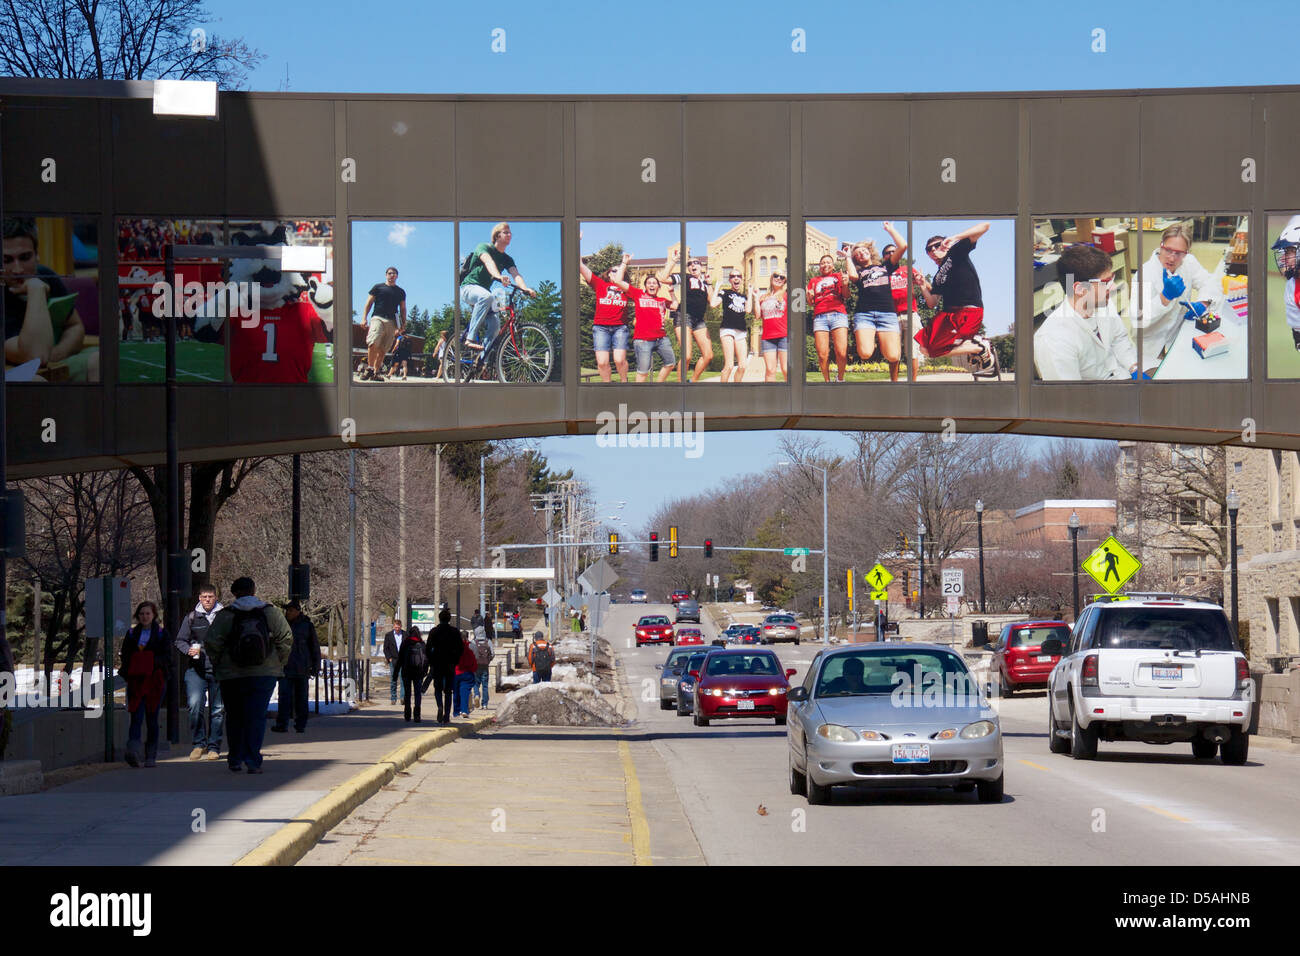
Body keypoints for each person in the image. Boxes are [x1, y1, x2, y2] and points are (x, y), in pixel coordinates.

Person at [204, 577, 293, 774]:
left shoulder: (226, 615)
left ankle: (234, 758)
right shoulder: (270, 612)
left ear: (234, 592)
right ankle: (253, 760)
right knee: (256, 716)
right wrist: (279, 662)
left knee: (235, 716)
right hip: (264, 673)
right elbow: (286, 637)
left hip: (231, 675)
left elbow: (212, 642)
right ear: (254, 590)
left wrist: (220, 663)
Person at [4, 217, 98, 382]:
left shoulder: (45, 274)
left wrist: (56, 355)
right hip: (15, 369)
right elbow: (35, 357)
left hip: (54, 360)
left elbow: (75, 326)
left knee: (100, 361)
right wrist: (36, 289)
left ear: (37, 255)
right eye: (6, 260)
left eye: (25, 257)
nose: (17, 269)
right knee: (36, 382)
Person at [1034, 243, 1142, 381]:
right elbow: (1068, 395)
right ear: (1080, 289)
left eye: (1112, 279)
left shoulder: (1101, 304)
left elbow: (1119, 338)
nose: (1113, 286)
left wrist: (1133, 367)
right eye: (1106, 281)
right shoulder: (1054, 339)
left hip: (1120, 375)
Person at [913, 223, 998, 375]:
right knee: (924, 348)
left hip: (968, 311)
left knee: (936, 347)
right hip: (948, 315)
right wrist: (922, 285)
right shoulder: (938, 277)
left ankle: (978, 347)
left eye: (936, 245)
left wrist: (955, 238)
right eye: (929, 249)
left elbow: (985, 226)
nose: (933, 250)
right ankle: (974, 347)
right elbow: (932, 303)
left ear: (944, 245)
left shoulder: (956, 253)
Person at [1138, 223, 1228, 365]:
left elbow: (1209, 282)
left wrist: (1203, 303)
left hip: (1179, 332)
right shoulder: (1145, 273)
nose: (1172, 258)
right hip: (1152, 342)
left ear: (1187, 252)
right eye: (1168, 250)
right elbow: (1138, 319)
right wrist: (1164, 297)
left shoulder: (1188, 262)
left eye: (1179, 253)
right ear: (1161, 245)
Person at [844, 222, 907, 382]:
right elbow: (852, 276)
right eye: (857, 254)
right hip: (864, 315)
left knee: (893, 355)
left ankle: (883, 340)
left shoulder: (886, 266)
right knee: (865, 353)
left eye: (863, 251)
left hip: (887, 314)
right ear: (855, 259)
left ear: (870, 252)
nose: (861, 254)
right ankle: (873, 337)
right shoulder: (859, 272)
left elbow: (903, 246)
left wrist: (891, 229)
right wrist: (847, 257)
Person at [459, 222, 536, 352]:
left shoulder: (507, 259)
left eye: (510, 232)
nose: (509, 234)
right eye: (506, 232)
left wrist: (525, 288)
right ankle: (470, 338)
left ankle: (482, 362)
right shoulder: (484, 247)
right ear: (497, 236)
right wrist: (499, 277)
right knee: (487, 297)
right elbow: (488, 262)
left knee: (495, 325)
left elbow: (515, 274)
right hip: (469, 288)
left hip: (484, 294)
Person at [120, 601, 173, 768]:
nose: (144, 617)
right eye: (142, 614)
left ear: (154, 615)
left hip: (155, 681)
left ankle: (151, 754)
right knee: (136, 715)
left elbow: (168, 657)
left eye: (148, 613)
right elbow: (126, 656)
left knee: (152, 717)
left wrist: (149, 661)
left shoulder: (161, 634)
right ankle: (133, 750)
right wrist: (135, 665)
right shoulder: (131, 634)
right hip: (136, 681)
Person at [175, 584, 225, 760]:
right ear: (199, 598)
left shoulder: (225, 616)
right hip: (196, 669)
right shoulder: (191, 618)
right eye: (204, 597)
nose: (207, 600)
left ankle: (214, 746)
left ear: (216, 597)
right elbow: (180, 640)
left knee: (217, 711)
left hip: (219, 669)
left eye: (210, 596)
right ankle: (198, 744)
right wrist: (188, 649)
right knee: (195, 705)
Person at [581, 252, 633, 382]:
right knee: (602, 363)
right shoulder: (600, 284)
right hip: (600, 328)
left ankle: (624, 382)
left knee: (619, 360)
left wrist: (624, 264)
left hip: (620, 328)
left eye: (619, 271)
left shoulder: (627, 289)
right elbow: (581, 266)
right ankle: (607, 385)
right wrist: (577, 242)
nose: (616, 272)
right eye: (613, 271)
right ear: (608, 274)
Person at [272, 601, 321, 734]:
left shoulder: (307, 625)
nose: (289, 613)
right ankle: (282, 724)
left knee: (301, 698)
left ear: (298, 611)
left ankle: (301, 724)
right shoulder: (281, 625)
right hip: (285, 667)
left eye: (292, 610)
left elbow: (314, 647)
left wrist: (316, 665)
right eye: (287, 610)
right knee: (284, 697)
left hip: (302, 667)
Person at [628, 255, 679, 383]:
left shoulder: (661, 300)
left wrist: (672, 293)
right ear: (645, 286)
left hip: (661, 339)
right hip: (643, 340)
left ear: (658, 287)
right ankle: (639, 397)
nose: (652, 285)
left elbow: (674, 305)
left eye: (654, 283)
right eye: (649, 283)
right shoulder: (639, 295)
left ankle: (657, 386)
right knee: (643, 371)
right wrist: (624, 263)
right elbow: (619, 282)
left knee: (671, 363)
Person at [884, 243, 925, 381]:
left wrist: (921, 282)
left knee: (912, 352)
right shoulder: (883, 273)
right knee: (894, 353)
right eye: (888, 252)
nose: (891, 254)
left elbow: (926, 286)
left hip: (910, 314)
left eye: (893, 251)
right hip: (892, 317)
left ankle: (912, 384)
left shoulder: (907, 269)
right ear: (884, 257)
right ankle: (893, 384)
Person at [807, 253, 850, 381]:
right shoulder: (814, 281)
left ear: (833, 265)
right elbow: (811, 303)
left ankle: (840, 379)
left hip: (839, 315)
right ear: (819, 266)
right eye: (822, 263)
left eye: (828, 262)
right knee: (822, 354)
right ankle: (827, 381)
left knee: (841, 352)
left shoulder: (838, 276)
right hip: (820, 318)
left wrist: (845, 284)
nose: (825, 264)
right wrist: (809, 296)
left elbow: (846, 295)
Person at [360, 266, 406, 382]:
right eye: (390, 273)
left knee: (383, 349)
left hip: (392, 321)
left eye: (394, 274)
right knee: (373, 342)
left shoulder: (400, 292)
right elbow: (369, 303)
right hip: (378, 318)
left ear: (397, 276)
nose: (392, 275)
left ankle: (376, 372)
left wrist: (403, 324)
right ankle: (369, 369)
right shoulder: (378, 287)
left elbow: (403, 308)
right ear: (386, 275)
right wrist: (364, 318)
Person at [674, 255, 714, 382]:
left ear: (701, 267)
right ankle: (680, 387)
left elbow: (712, 302)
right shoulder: (686, 277)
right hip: (684, 316)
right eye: (690, 264)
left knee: (708, 355)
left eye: (696, 263)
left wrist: (709, 283)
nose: (693, 265)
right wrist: (673, 261)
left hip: (699, 320)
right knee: (686, 356)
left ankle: (692, 382)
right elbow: (663, 278)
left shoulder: (704, 284)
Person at [710, 270, 752, 383]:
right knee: (729, 366)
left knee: (742, 366)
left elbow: (748, 310)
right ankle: (722, 393)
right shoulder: (725, 292)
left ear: (742, 279)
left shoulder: (744, 297)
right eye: (733, 276)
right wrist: (717, 288)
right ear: (730, 280)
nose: (736, 278)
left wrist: (751, 291)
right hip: (727, 329)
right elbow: (713, 304)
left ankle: (736, 390)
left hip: (741, 331)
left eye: (739, 276)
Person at [424, 608, 462, 724]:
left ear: (440, 619)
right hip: (450, 664)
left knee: (438, 688)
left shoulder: (434, 631)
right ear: (449, 619)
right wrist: (455, 660)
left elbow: (427, 648)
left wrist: (431, 661)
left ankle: (439, 706)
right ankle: (446, 715)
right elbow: (461, 648)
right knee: (448, 691)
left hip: (437, 663)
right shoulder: (454, 632)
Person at [395, 624, 428, 722]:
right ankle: (417, 714)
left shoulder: (405, 643)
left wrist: (395, 673)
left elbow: (400, 659)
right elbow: (426, 660)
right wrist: (425, 671)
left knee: (407, 693)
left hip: (407, 671)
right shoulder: (421, 644)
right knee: (417, 693)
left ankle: (407, 713)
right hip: (418, 672)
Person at [453, 631, 479, 718]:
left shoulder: (454, 647)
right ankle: (464, 710)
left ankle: (456, 711)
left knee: (456, 692)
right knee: (464, 692)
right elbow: (475, 662)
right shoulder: (470, 648)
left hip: (456, 672)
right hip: (467, 673)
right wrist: (473, 671)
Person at [384, 619, 407, 706]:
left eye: (398, 626)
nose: (397, 628)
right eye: (396, 626)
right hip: (393, 660)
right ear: (393, 626)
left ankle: (402, 698)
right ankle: (393, 698)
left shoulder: (405, 634)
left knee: (403, 680)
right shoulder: (388, 635)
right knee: (393, 680)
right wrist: (389, 658)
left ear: (401, 626)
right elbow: (385, 648)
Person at [471, 625, 494, 709]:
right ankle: (484, 704)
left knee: (475, 683)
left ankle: (476, 694)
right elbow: (492, 654)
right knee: (485, 685)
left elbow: (471, 654)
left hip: (476, 666)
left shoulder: (473, 642)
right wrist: (488, 660)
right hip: (485, 666)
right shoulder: (488, 641)